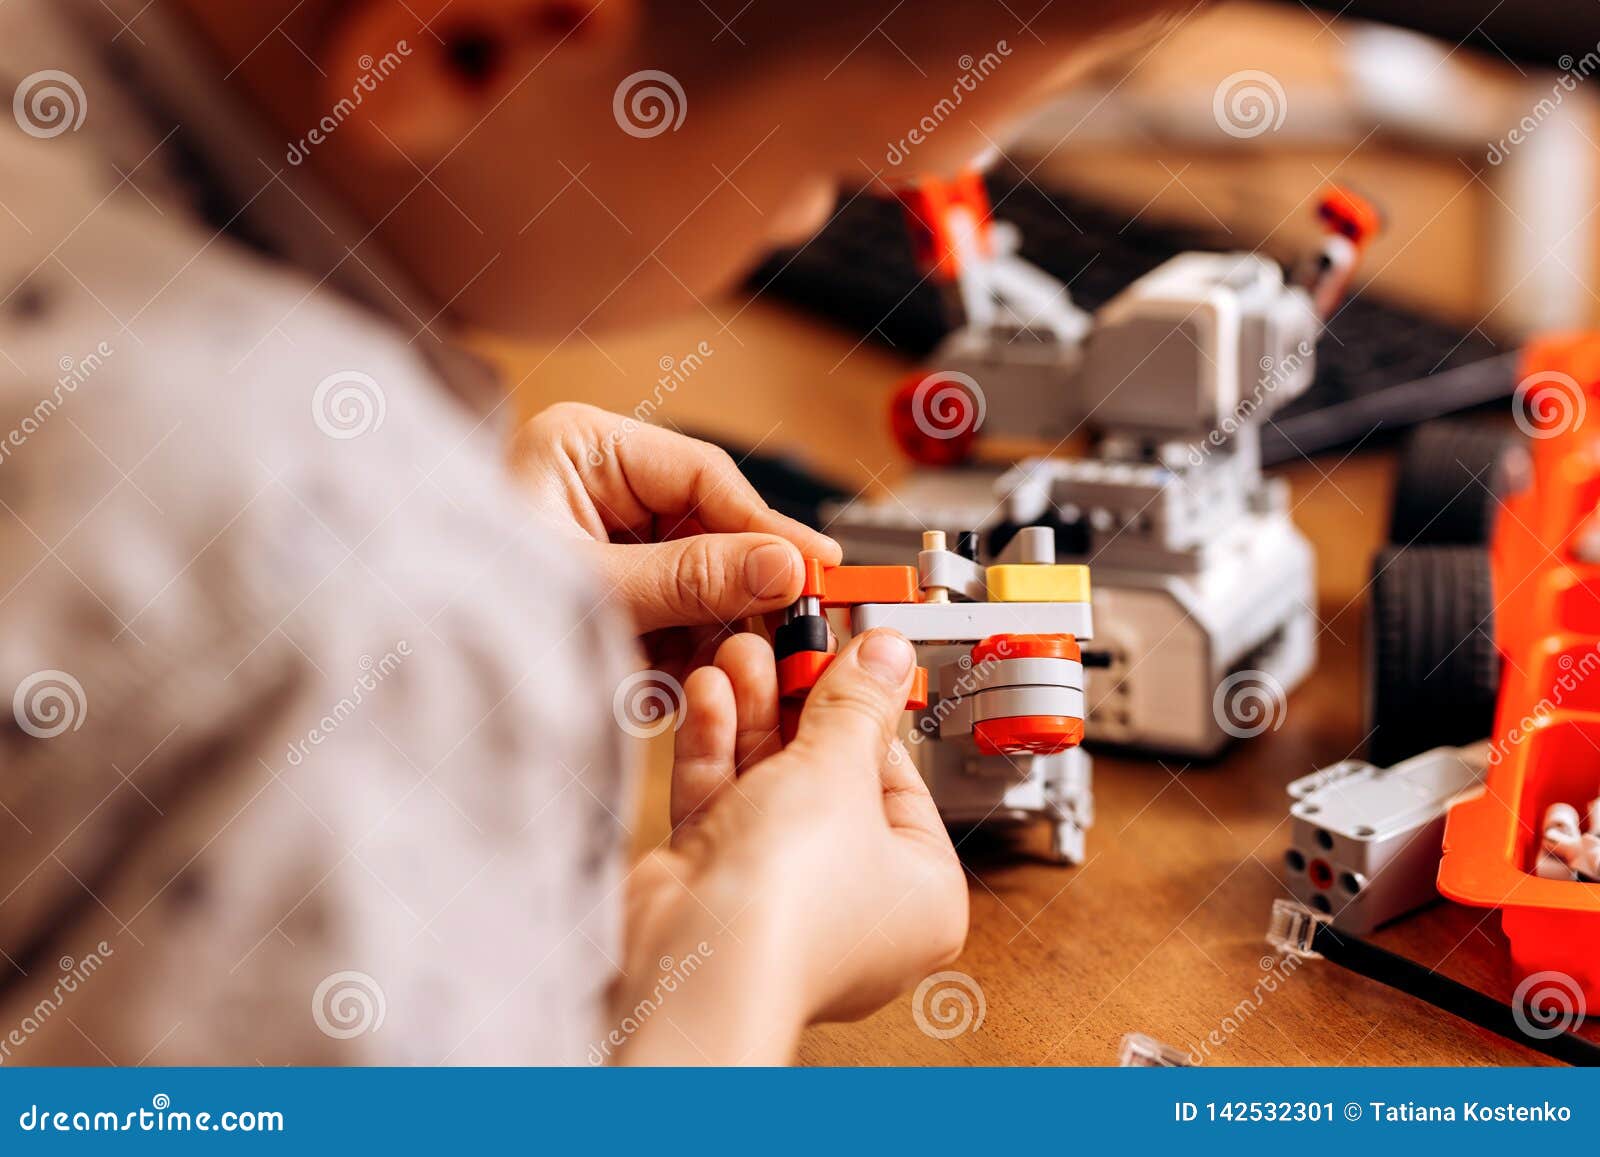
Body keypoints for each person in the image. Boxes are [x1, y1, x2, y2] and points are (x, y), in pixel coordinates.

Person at [0, 0, 1185, 1064]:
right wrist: (735, 965)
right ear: (455, 45)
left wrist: (413, 534)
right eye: (839, 162)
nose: (802, 219)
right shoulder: (387, 624)